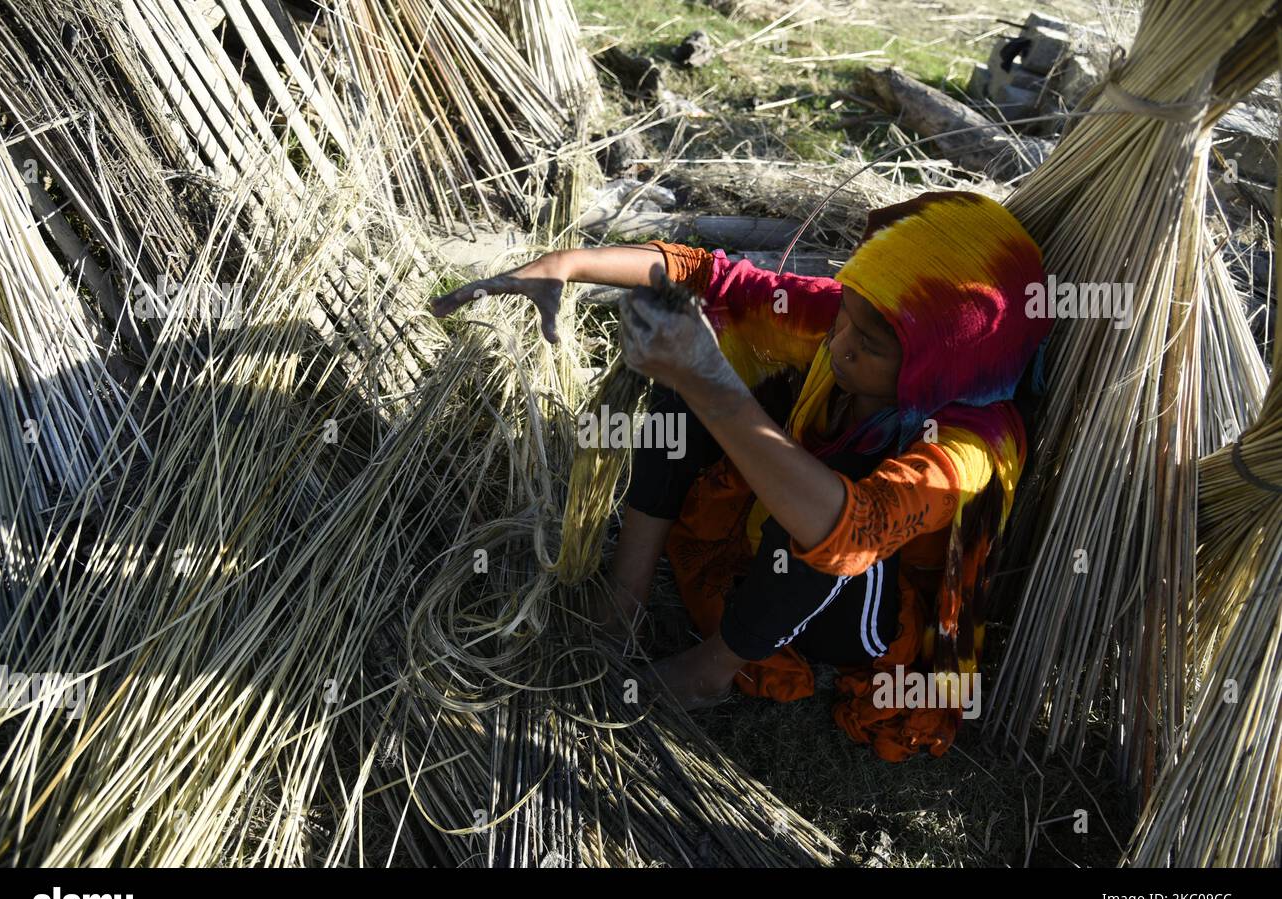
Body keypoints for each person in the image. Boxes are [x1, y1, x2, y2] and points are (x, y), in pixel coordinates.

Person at [432, 190, 1050, 761]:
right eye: (846, 316)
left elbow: (856, 528)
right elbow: (711, 278)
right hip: (794, 529)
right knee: (694, 374)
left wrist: (715, 387)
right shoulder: (855, 322)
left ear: (934, 366)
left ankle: (712, 671)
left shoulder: (973, 442)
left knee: (807, 506)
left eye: (869, 343)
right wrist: (563, 264)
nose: (841, 343)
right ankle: (625, 597)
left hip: (868, 607)